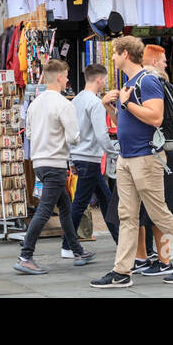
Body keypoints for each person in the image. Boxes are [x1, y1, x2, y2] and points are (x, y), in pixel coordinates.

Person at [90, 35, 173, 288]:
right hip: (128, 158)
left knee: (159, 214)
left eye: (115, 53)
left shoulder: (147, 80)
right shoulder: (129, 83)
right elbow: (125, 123)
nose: (112, 58)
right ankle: (121, 271)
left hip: (146, 158)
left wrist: (127, 103)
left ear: (125, 54)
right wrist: (111, 108)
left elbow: (155, 117)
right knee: (127, 217)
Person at [15, 59, 92, 274]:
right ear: (59, 77)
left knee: (65, 207)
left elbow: (29, 134)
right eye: (66, 76)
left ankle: (77, 250)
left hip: (39, 163)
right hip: (55, 162)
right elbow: (74, 137)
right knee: (45, 211)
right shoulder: (64, 104)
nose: (67, 80)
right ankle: (25, 256)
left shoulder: (35, 103)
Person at [62, 63, 119, 260]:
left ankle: (121, 240)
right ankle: (67, 245)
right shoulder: (95, 103)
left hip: (80, 157)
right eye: (104, 80)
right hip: (90, 158)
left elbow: (69, 132)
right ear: (99, 80)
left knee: (106, 200)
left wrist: (71, 159)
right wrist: (114, 153)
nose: (105, 84)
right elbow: (102, 134)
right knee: (81, 203)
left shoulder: (76, 100)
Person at [135, 45, 173, 275]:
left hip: (159, 153)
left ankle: (165, 260)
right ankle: (160, 259)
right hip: (161, 153)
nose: (165, 63)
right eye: (163, 60)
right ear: (153, 62)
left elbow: (155, 118)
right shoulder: (155, 83)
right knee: (159, 210)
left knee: (162, 211)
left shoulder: (151, 84)